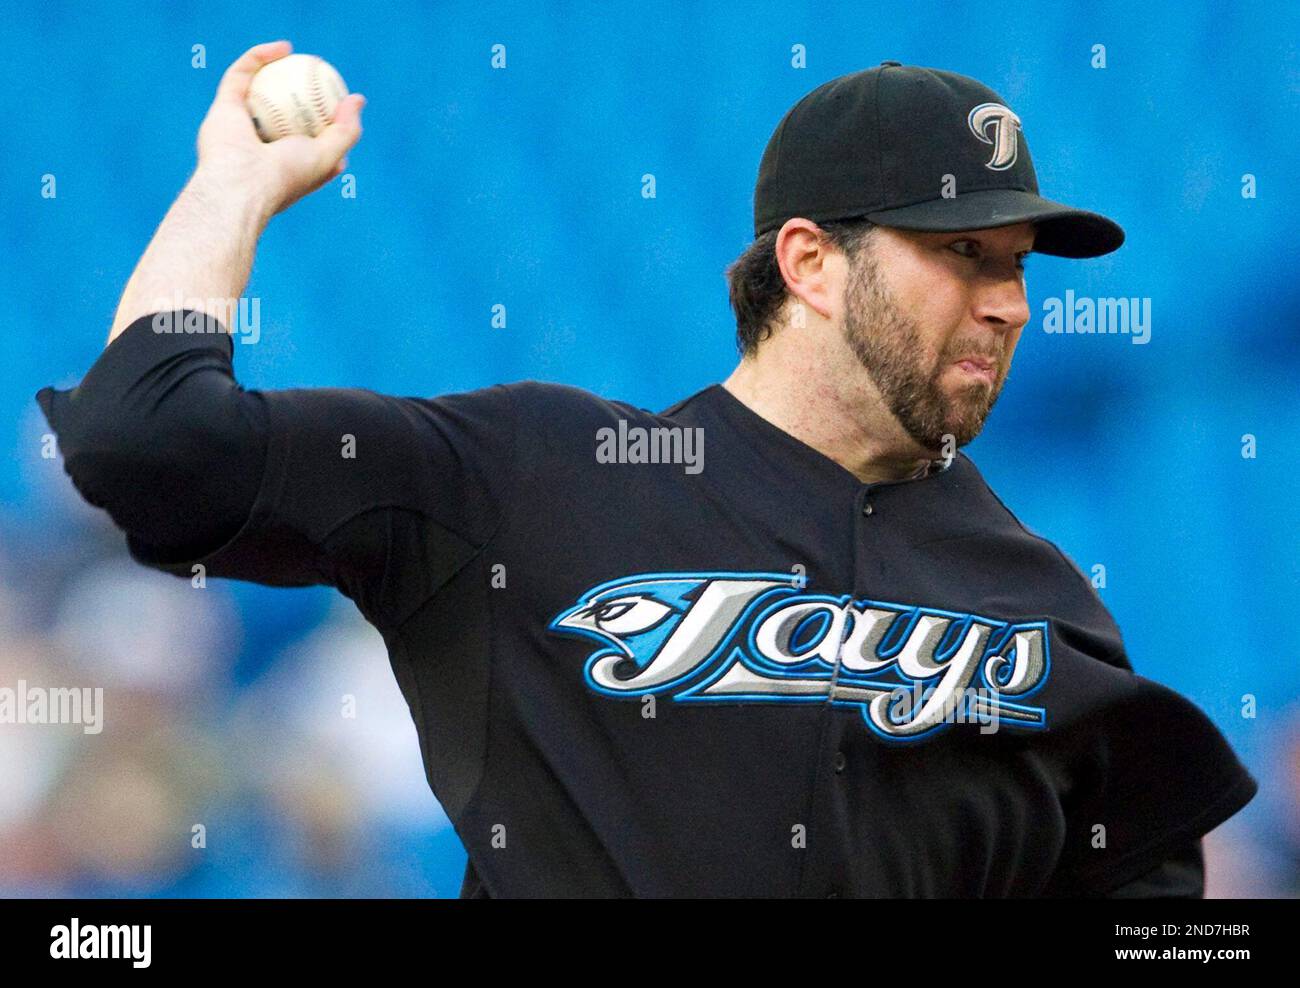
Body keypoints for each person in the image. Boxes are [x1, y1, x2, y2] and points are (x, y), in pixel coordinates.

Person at [37, 44, 1256, 897]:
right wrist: (229, 192)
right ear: (811, 262)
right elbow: (144, 445)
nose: (1010, 304)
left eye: (1020, 266)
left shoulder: (1047, 615)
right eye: (964, 255)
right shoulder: (531, 477)